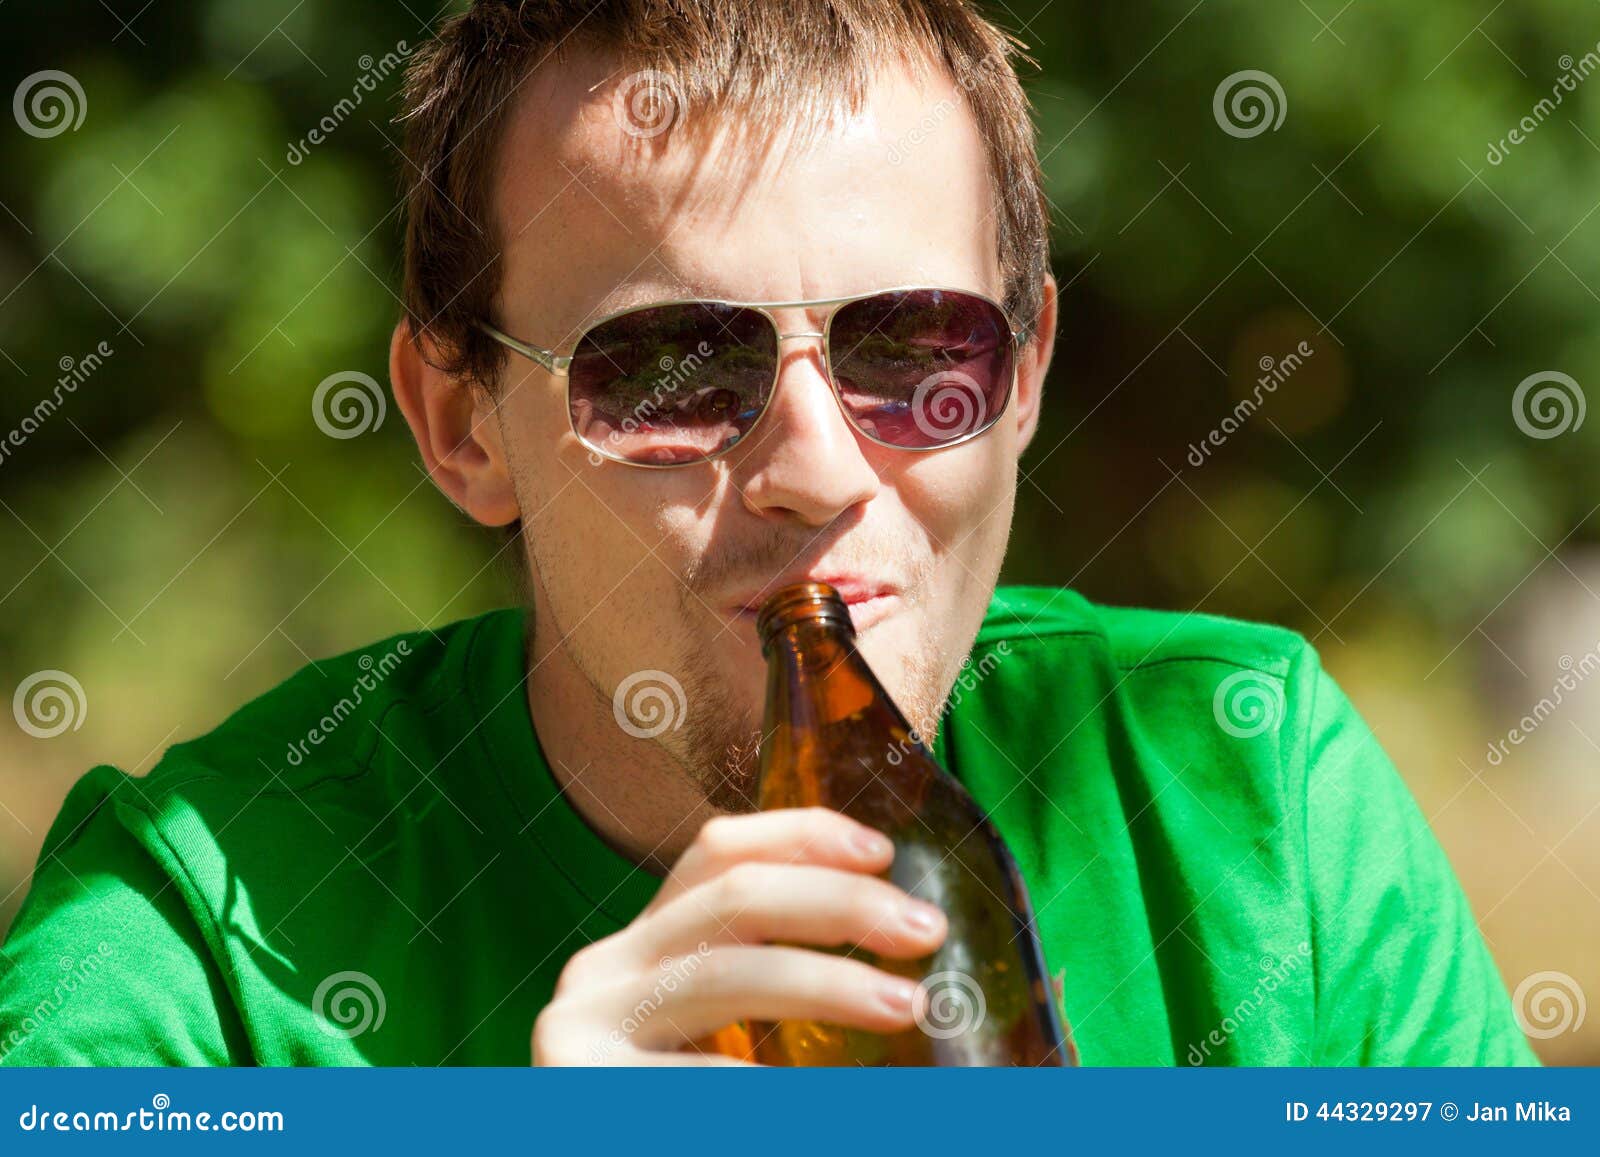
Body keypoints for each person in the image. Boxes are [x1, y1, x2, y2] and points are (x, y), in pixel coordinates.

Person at [0, 0, 1535, 1066]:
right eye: (671, 367)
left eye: (914, 351)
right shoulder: (187, 945)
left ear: (1027, 373)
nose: (814, 467)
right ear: (464, 422)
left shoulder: (1243, 789)